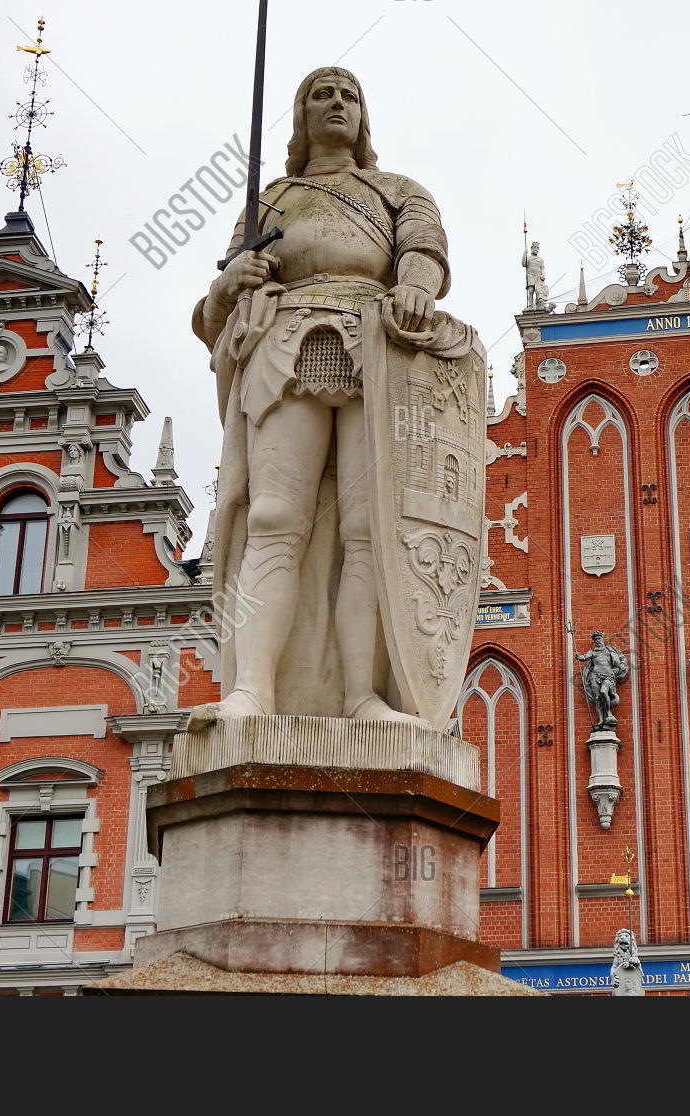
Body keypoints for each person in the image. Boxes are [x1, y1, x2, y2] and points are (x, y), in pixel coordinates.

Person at [190, 66, 479, 728]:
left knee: (368, 530)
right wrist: (235, 277)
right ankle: (253, 692)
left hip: (374, 340)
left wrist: (413, 286)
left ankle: (362, 696)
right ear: (301, 115)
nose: (337, 103)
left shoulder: (398, 191)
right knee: (273, 518)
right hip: (286, 338)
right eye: (322, 94)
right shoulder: (270, 201)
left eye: (349, 94)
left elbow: (424, 256)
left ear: (364, 114)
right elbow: (219, 304)